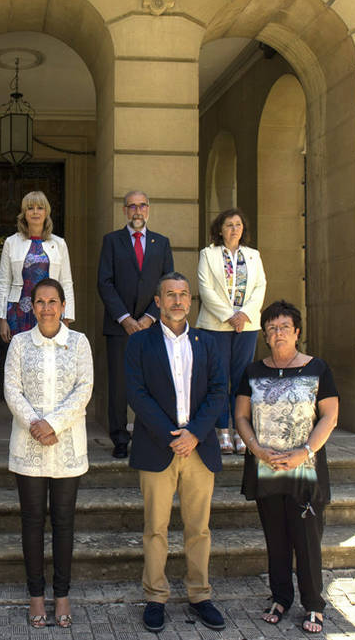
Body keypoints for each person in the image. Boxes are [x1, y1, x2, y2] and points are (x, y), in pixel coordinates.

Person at [126, 271, 228, 633]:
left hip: (199, 449)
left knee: (198, 528)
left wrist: (195, 434)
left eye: (184, 294)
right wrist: (173, 435)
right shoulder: (140, 343)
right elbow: (136, 394)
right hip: (159, 446)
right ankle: (156, 596)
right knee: (156, 528)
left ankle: (200, 594)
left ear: (190, 300)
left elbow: (219, 391)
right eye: (170, 294)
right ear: (158, 300)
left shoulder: (206, 342)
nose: (178, 301)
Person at [233, 300, 338, 635]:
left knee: (306, 541)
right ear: (265, 334)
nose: (277, 333)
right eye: (272, 328)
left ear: (296, 333)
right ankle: (280, 598)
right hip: (266, 469)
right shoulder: (253, 372)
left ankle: (314, 605)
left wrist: (304, 451)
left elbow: (330, 417)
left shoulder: (317, 368)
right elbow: (240, 416)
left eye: (284, 327)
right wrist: (255, 448)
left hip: (304, 471)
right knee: (275, 540)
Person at [3, 278, 93, 629]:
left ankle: (63, 594)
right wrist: (35, 424)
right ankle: (36, 595)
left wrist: (52, 424)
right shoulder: (20, 344)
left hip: (67, 446)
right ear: (31, 306)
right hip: (29, 447)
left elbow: (84, 389)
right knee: (32, 522)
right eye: (39, 302)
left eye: (52, 301)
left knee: (64, 523)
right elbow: (12, 390)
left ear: (63, 305)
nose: (46, 308)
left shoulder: (79, 343)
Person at [98, 189, 174, 458]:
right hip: (119, 327)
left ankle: (152, 434)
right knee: (119, 385)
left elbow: (169, 284)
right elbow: (104, 282)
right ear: (124, 211)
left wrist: (149, 317)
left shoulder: (161, 243)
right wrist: (125, 318)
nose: (137, 211)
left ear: (149, 209)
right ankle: (120, 439)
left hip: (153, 326)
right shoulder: (112, 241)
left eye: (142, 206)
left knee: (154, 382)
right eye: (132, 206)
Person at [195, 208, 266, 454]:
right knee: (219, 378)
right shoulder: (208, 254)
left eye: (238, 224)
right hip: (216, 325)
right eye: (229, 225)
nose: (234, 229)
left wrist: (243, 315)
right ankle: (221, 430)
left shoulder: (254, 255)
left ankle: (240, 431)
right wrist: (229, 316)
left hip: (246, 326)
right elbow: (205, 289)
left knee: (241, 379)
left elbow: (260, 286)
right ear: (220, 229)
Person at [0, 191, 74, 342]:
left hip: (49, 310)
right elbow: (3, 282)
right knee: (19, 356)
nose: (35, 212)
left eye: (40, 208)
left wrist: (67, 318)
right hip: (18, 310)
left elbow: (66, 283)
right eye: (30, 208)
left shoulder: (59, 244)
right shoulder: (11, 242)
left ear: (46, 212)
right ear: (24, 213)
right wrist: (1, 318)